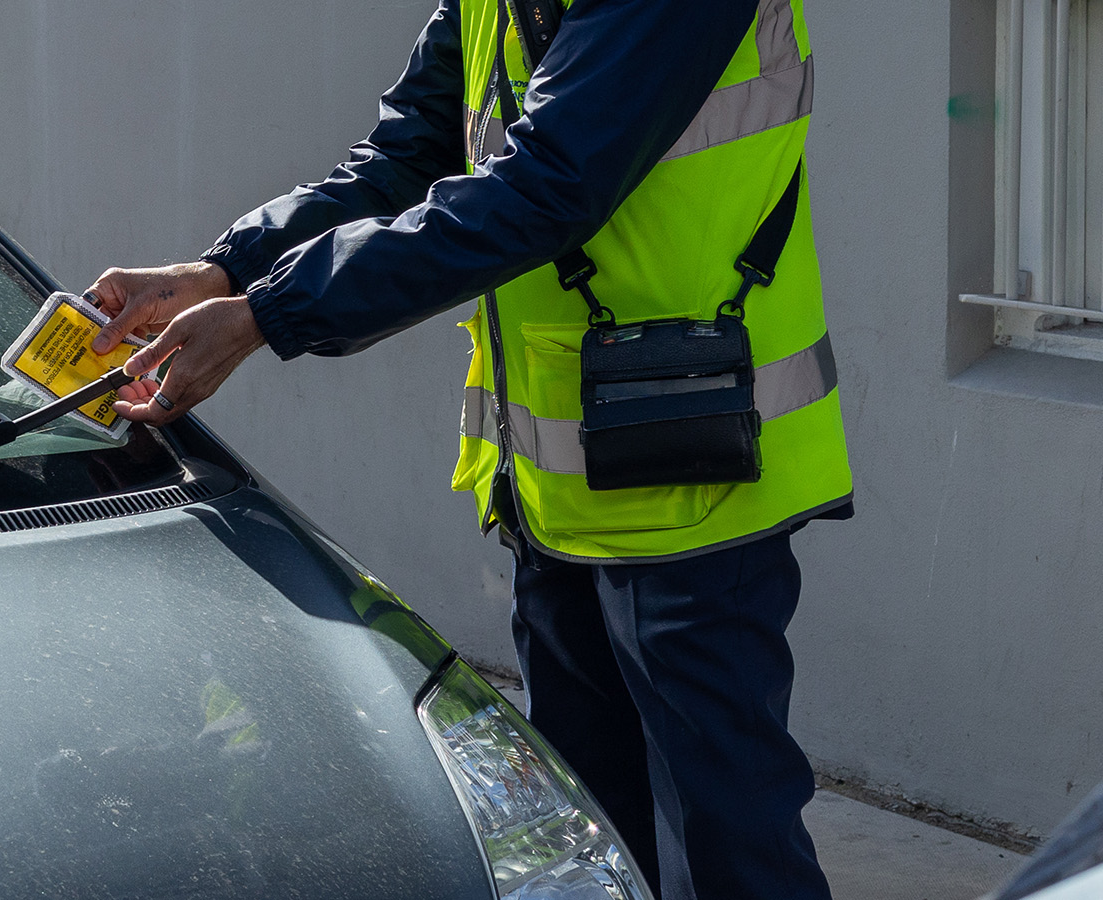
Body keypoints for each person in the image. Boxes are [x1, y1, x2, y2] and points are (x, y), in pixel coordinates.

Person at [83, 1, 853, 898]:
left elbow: (547, 183)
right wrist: (223, 273)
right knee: (592, 846)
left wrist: (267, 315)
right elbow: (405, 160)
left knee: (729, 851)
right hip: (560, 486)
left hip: (698, 471)